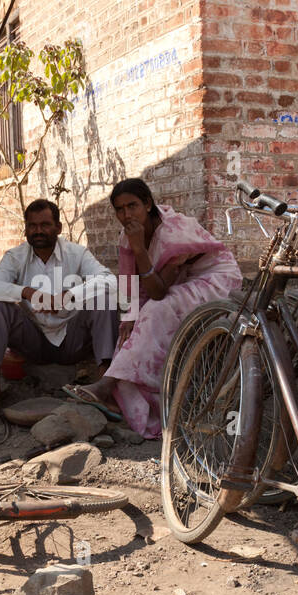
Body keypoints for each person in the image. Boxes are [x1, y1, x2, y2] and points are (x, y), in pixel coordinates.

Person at [64, 178, 242, 439]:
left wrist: (139, 248)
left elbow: (158, 291)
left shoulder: (174, 233)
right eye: (120, 209)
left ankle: (106, 385)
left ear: (148, 204)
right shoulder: (127, 235)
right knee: (131, 324)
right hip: (177, 283)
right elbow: (128, 283)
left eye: (132, 206)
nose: (126, 215)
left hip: (215, 280)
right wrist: (128, 317)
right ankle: (121, 402)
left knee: (155, 311)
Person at [0, 198, 119, 412]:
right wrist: (26, 292)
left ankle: (102, 391)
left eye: (44, 225)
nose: (38, 231)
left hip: (72, 340)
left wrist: (70, 295)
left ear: (58, 228)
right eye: (32, 226)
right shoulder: (16, 257)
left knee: (105, 300)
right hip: (32, 341)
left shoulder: (76, 253)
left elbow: (109, 280)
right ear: (25, 230)